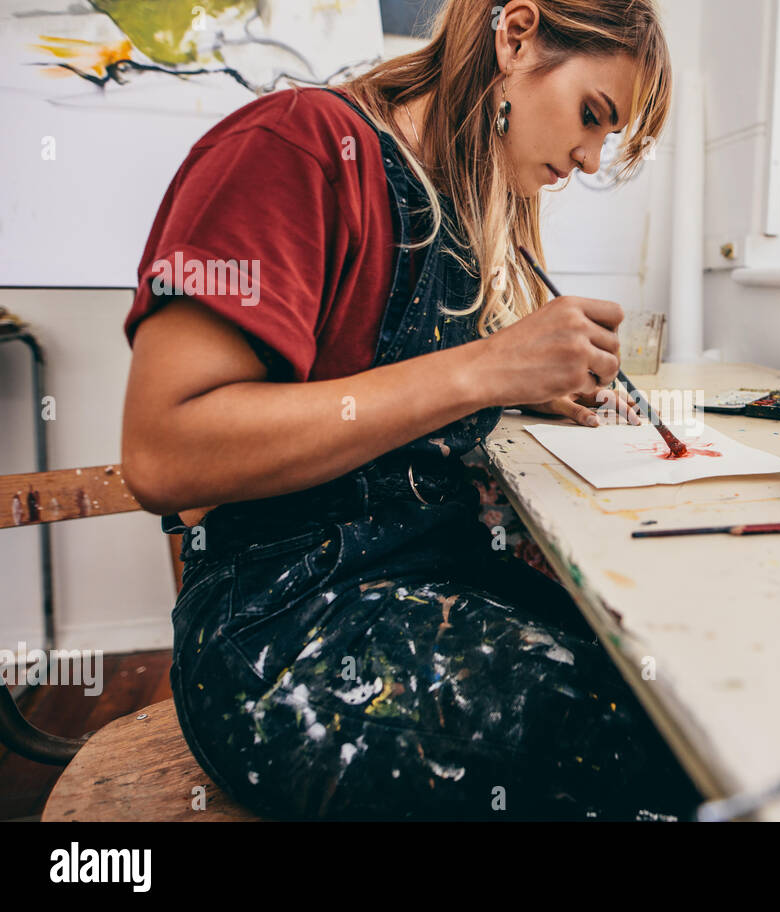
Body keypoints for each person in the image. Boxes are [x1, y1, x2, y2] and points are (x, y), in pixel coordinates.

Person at [120, 0, 697, 821]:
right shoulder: (296, 147)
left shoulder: (459, 210)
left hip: (430, 574)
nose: (591, 158)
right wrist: (483, 369)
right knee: (633, 764)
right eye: (593, 115)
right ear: (517, 33)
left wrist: (520, 384)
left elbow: (397, 400)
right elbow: (164, 453)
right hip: (283, 619)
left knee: (679, 694)